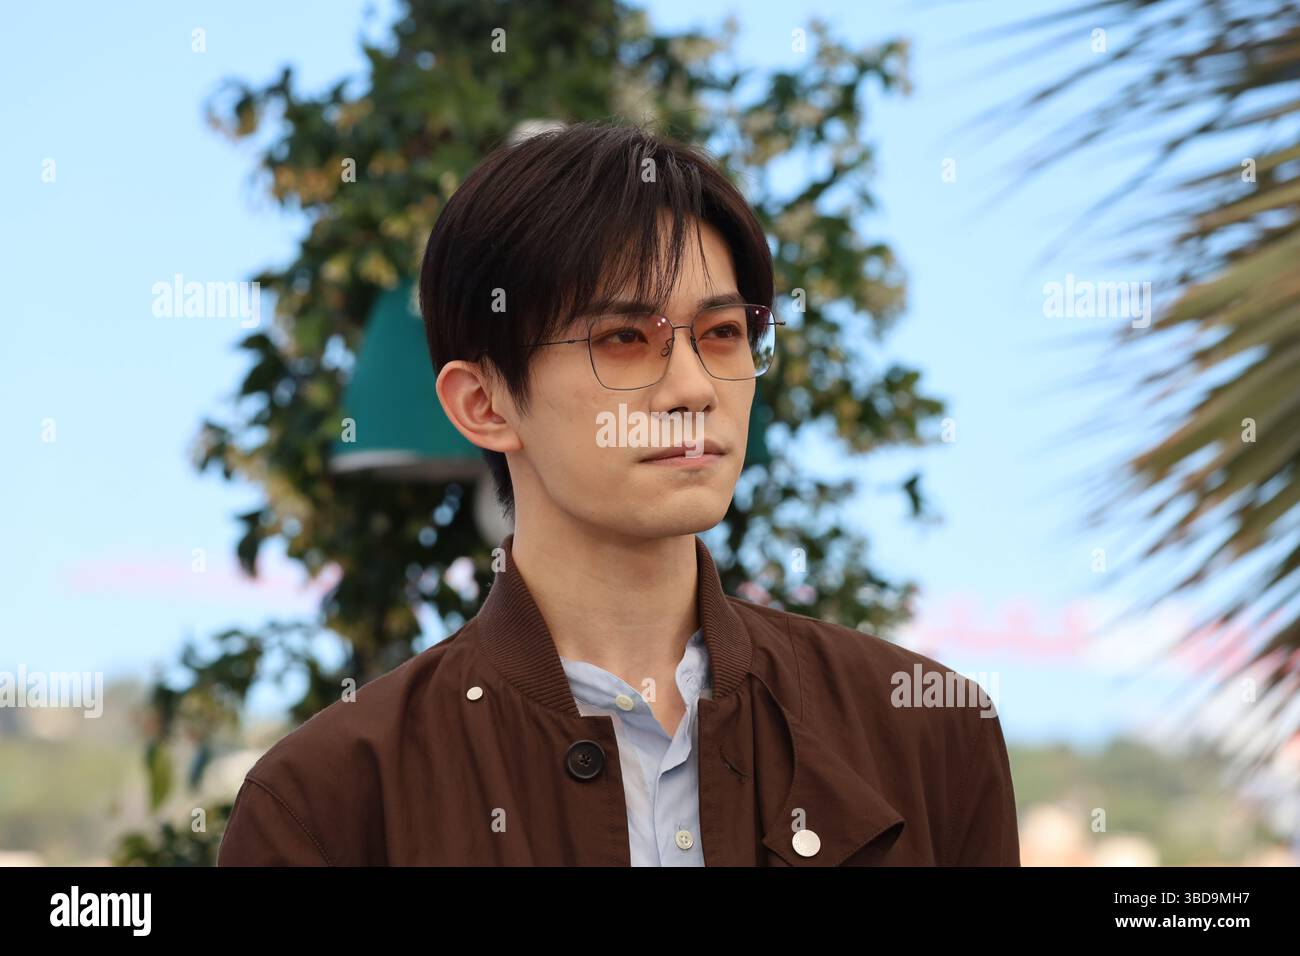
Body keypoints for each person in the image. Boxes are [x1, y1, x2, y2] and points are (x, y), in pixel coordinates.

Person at [217, 120, 1020, 866]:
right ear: (484, 404)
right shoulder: (328, 803)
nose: (694, 387)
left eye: (722, 333)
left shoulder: (928, 733)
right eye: (626, 340)